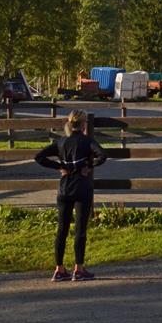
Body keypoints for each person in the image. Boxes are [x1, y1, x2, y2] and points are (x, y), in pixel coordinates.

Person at [34, 110, 107, 282]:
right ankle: (78, 268)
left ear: (69, 124)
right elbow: (103, 155)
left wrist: (59, 166)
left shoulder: (61, 142)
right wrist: (89, 165)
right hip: (82, 188)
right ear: (83, 125)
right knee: (80, 230)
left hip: (64, 189)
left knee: (62, 229)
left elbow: (39, 157)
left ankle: (59, 269)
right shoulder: (87, 141)